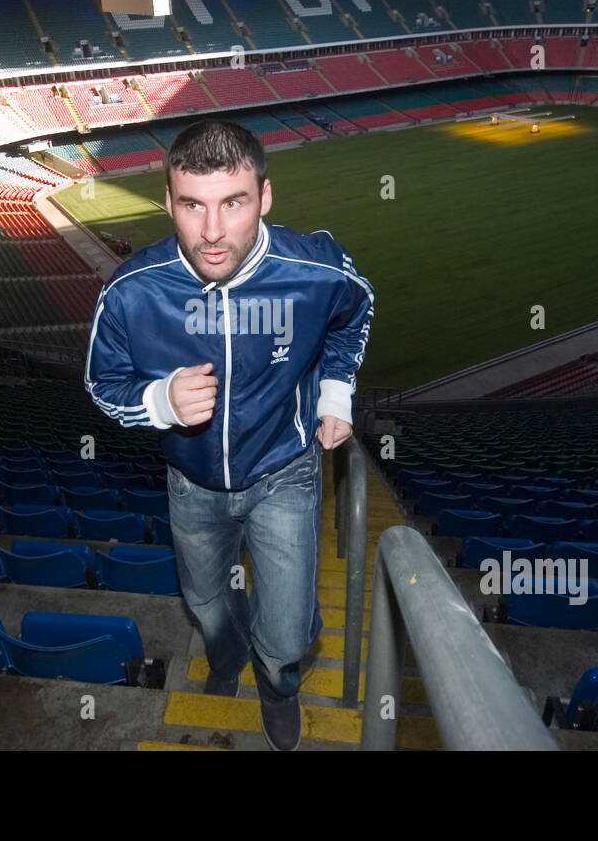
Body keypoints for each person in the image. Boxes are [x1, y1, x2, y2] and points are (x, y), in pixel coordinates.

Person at [84, 119, 374, 750]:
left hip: (286, 474)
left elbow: (356, 312)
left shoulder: (315, 269)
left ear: (264, 197)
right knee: (209, 607)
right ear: (168, 201)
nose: (212, 232)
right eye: (192, 205)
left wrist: (335, 390)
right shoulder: (131, 291)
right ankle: (227, 650)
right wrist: (158, 399)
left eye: (233, 203)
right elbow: (103, 386)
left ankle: (278, 681)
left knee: (291, 636)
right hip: (191, 485)